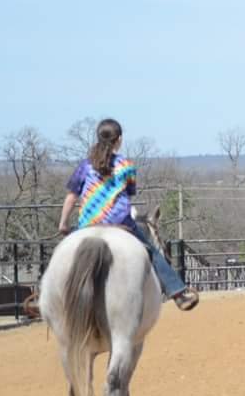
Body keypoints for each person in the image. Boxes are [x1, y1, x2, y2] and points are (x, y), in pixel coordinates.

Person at [58, 118, 199, 310]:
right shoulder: (126, 166)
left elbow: (71, 197)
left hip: (88, 224)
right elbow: (129, 194)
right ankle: (178, 293)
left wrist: (63, 224)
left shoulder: (85, 166)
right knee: (152, 253)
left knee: (64, 255)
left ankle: (47, 297)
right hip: (120, 223)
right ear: (119, 140)